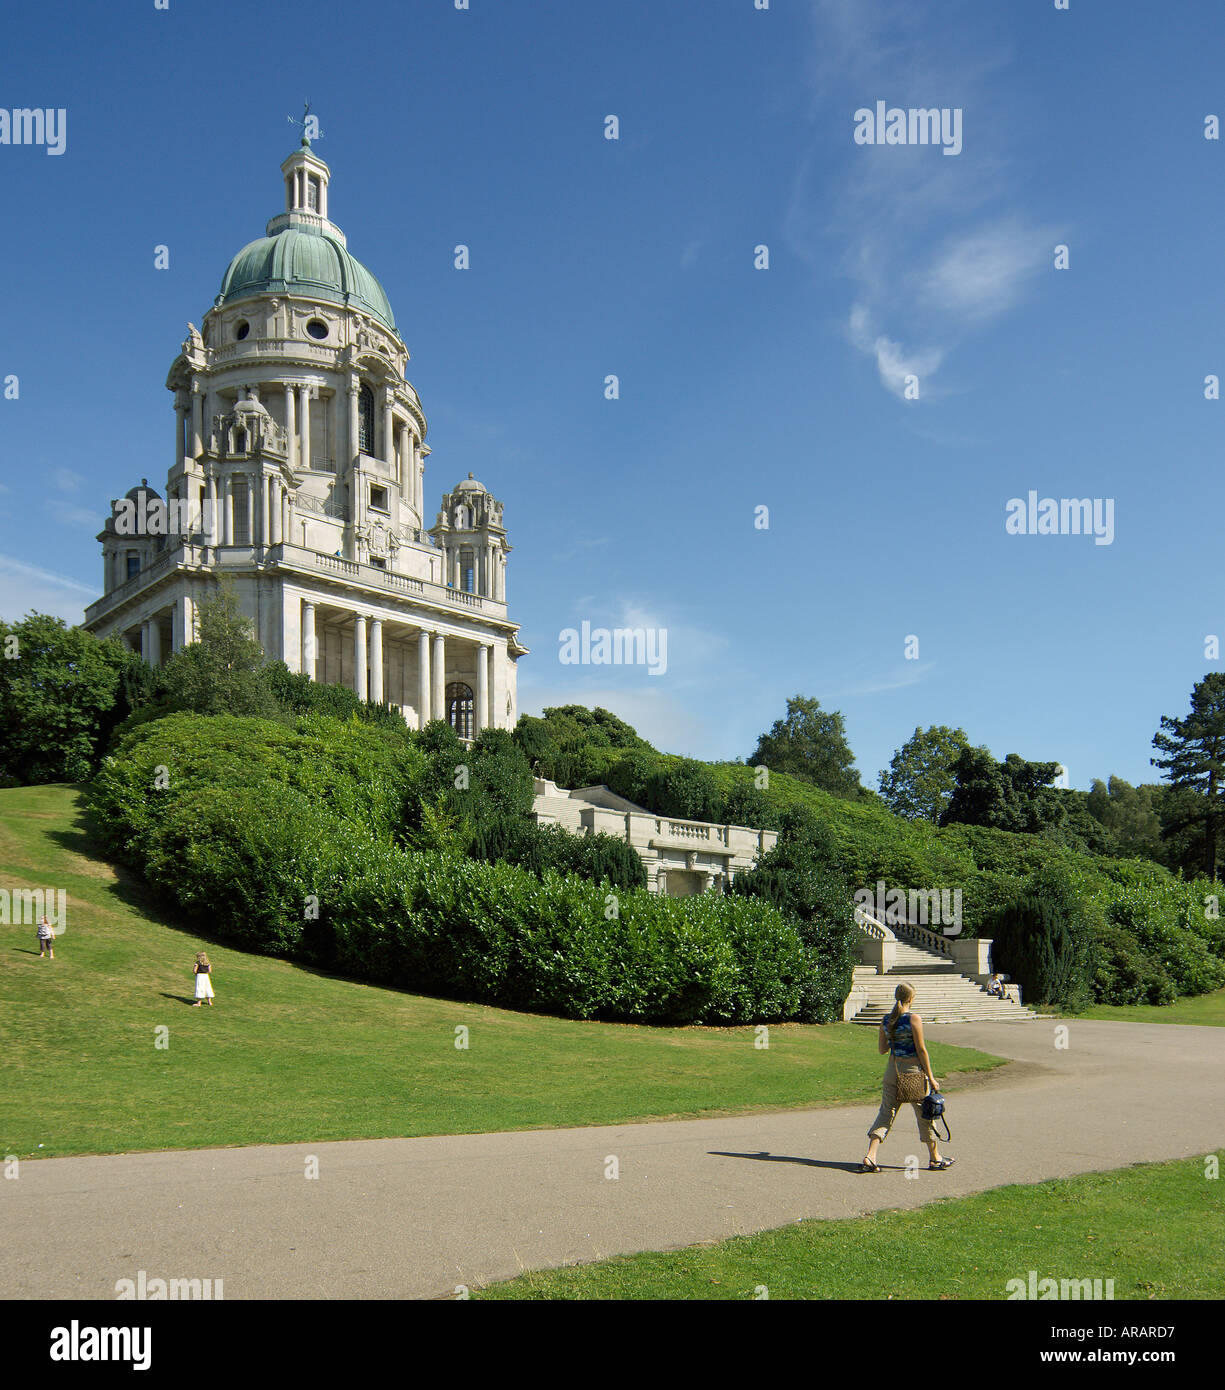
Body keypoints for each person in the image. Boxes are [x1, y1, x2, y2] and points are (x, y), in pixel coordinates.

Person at [861, 981, 954, 1173]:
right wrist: (931, 1076)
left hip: (892, 1070)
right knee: (925, 1114)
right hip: (912, 1072)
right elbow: (921, 1049)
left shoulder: (886, 1020)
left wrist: (894, 1039)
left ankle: (871, 1156)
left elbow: (882, 1049)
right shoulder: (913, 1019)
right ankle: (935, 1158)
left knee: (886, 1113)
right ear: (911, 998)